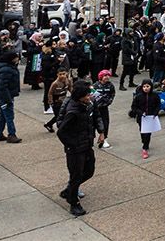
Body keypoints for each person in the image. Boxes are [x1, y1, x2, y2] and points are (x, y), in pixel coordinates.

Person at [56, 80, 99, 216]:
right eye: (87, 95)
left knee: (89, 170)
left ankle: (69, 190)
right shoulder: (73, 111)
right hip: (75, 149)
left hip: (86, 145)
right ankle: (74, 203)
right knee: (76, 175)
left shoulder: (85, 105)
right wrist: (72, 145)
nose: (89, 97)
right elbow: (61, 132)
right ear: (79, 96)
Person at [0, 51, 22, 143]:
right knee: (9, 116)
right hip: (6, 96)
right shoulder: (6, 70)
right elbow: (2, 86)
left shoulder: (6, 68)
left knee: (3, 115)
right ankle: (11, 134)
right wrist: (8, 99)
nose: (18, 59)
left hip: (5, 95)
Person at [131, 79, 162, 159]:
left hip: (151, 118)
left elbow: (158, 105)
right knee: (142, 131)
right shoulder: (138, 96)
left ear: (151, 87)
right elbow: (134, 107)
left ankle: (145, 147)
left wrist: (155, 113)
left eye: (147, 86)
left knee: (148, 133)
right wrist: (140, 113)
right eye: (144, 86)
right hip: (141, 118)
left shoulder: (155, 95)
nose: (146, 88)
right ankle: (144, 141)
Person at [91, 70, 115, 149]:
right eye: (105, 75)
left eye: (108, 75)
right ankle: (91, 139)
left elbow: (112, 95)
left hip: (104, 107)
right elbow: (91, 96)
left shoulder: (110, 86)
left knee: (105, 123)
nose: (107, 77)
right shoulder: (95, 85)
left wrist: (108, 102)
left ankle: (104, 139)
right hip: (95, 108)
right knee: (93, 124)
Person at [44, 68, 71, 133]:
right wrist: (51, 102)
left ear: (66, 73)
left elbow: (70, 89)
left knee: (62, 115)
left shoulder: (68, 81)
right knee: (59, 116)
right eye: (60, 74)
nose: (62, 76)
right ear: (57, 75)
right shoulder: (55, 84)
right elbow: (50, 93)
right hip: (56, 102)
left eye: (64, 74)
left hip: (64, 101)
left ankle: (49, 124)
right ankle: (61, 129)